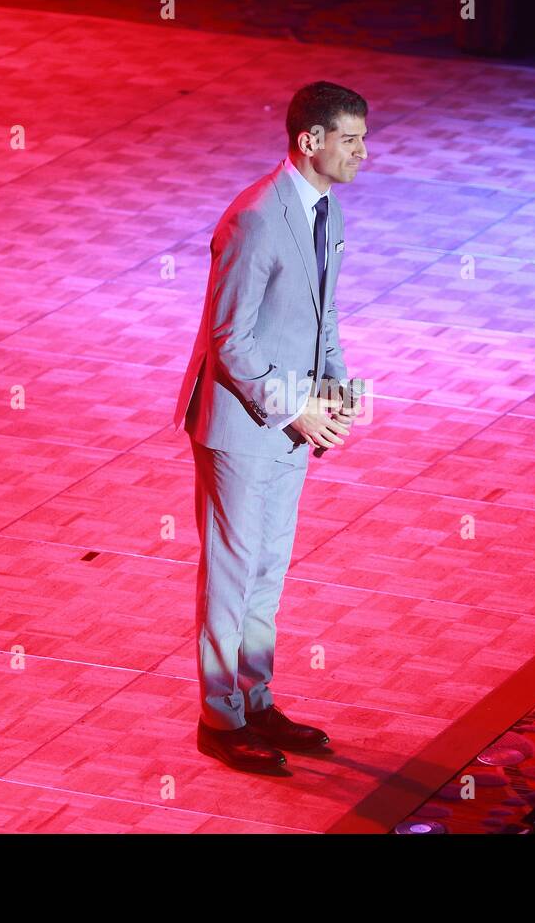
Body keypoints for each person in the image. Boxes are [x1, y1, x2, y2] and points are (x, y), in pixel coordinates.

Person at [171, 81, 368, 771]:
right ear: (310, 140)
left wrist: (338, 395)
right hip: (241, 426)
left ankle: (255, 699)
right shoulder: (254, 218)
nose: (362, 154)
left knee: (268, 569)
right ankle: (218, 720)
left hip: (291, 423)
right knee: (231, 573)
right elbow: (231, 340)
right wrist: (295, 406)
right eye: (350, 139)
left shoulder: (327, 212)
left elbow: (325, 319)